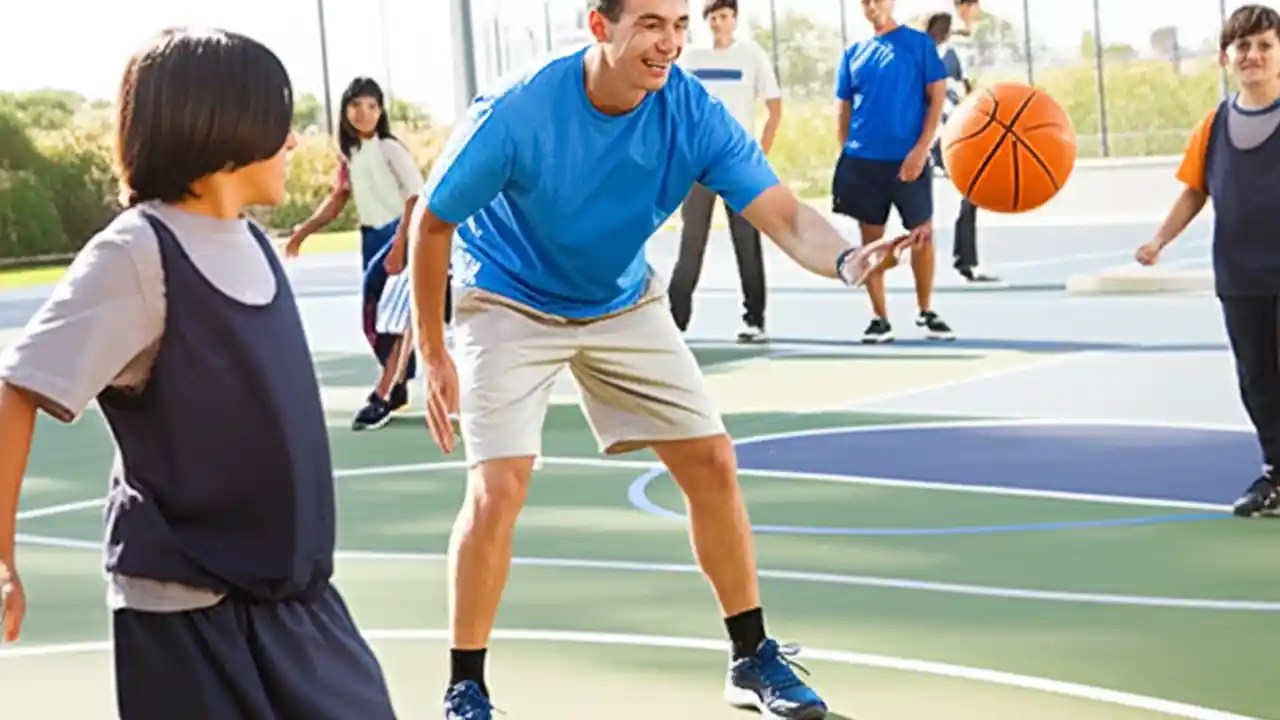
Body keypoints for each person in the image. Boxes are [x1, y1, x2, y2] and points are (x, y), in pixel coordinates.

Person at [405, 1, 912, 718]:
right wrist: (434, 349)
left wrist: (851, 259)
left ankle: (751, 657)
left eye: (679, 24)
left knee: (712, 463)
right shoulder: (519, 110)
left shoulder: (691, 112)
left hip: (618, 299)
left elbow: (786, 216)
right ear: (599, 26)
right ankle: (466, 686)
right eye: (650, 23)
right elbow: (432, 222)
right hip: (507, 297)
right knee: (500, 487)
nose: (670, 42)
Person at [0, 28, 397, 718]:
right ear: (224, 126)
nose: (294, 141)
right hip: (189, 611)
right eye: (279, 123)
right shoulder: (135, 254)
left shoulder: (255, 243)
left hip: (295, 604)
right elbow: (19, 388)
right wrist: (3, 559)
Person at [1136, 4, 1280, 518]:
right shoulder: (1214, 124)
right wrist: (1160, 240)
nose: (1253, 55)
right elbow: (1194, 191)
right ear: (1226, 58)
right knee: (1258, 381)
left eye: (1265, 45)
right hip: (1240, 275)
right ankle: (1275, 475)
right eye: (1243, 47)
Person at [286, 77, 437, 430]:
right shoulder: (350, 154)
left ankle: (382, 394)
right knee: (380, 319)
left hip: (399, 233)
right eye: (356, 105)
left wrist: (400, 245)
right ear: (346, 110)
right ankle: (396, 384)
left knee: (390, 316)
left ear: (381, 111)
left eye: (372, 106)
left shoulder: (390, 149)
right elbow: (338, 199)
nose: (364, 112)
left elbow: (417, 197)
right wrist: (302, 232)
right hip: (371, 238)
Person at [835, 0, 955, 344]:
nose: (873, 6)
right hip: (863, 164)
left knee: (922, 236)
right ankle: (879, 318)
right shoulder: (853, 53)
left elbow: (937, 97)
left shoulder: (918, 45)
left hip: (909, 161)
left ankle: (925, 310)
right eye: (866, 1)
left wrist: (921, 150)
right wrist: (847, 152)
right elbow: (843, 106)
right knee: (870, 244)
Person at [667, 0, 782, 343]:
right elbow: (675, 107)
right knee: (691, 243)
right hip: (698, 168)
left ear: (735, 19)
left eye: (725, 16)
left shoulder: (752, 55)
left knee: (746, 243)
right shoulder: (692, 59)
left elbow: (774, 109)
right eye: (713, 18)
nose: (719, 23)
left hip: (738, 167)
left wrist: (758, 154)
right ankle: (676, 322)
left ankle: (754, 320)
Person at [931, 0, 998, 283]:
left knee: (970, 192)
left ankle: (964, 259)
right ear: (966, 7)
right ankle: (964, 260)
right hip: (947, 135)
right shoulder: (957, 50)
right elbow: (971, 94)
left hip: (934, 134)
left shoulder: (935, 48)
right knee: (973, 190)